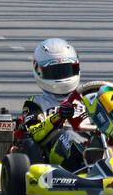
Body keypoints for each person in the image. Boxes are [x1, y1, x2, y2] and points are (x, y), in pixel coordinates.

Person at [19, 39, 94, 169]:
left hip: (91, 141)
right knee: (69, 135)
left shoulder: (88, 98)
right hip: (55, 152)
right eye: (55, 71)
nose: (62, 76)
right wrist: (57, 117)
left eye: (66, 70)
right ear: (39, 70)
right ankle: (89, 163)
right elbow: (34, 134)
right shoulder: (35, 103)